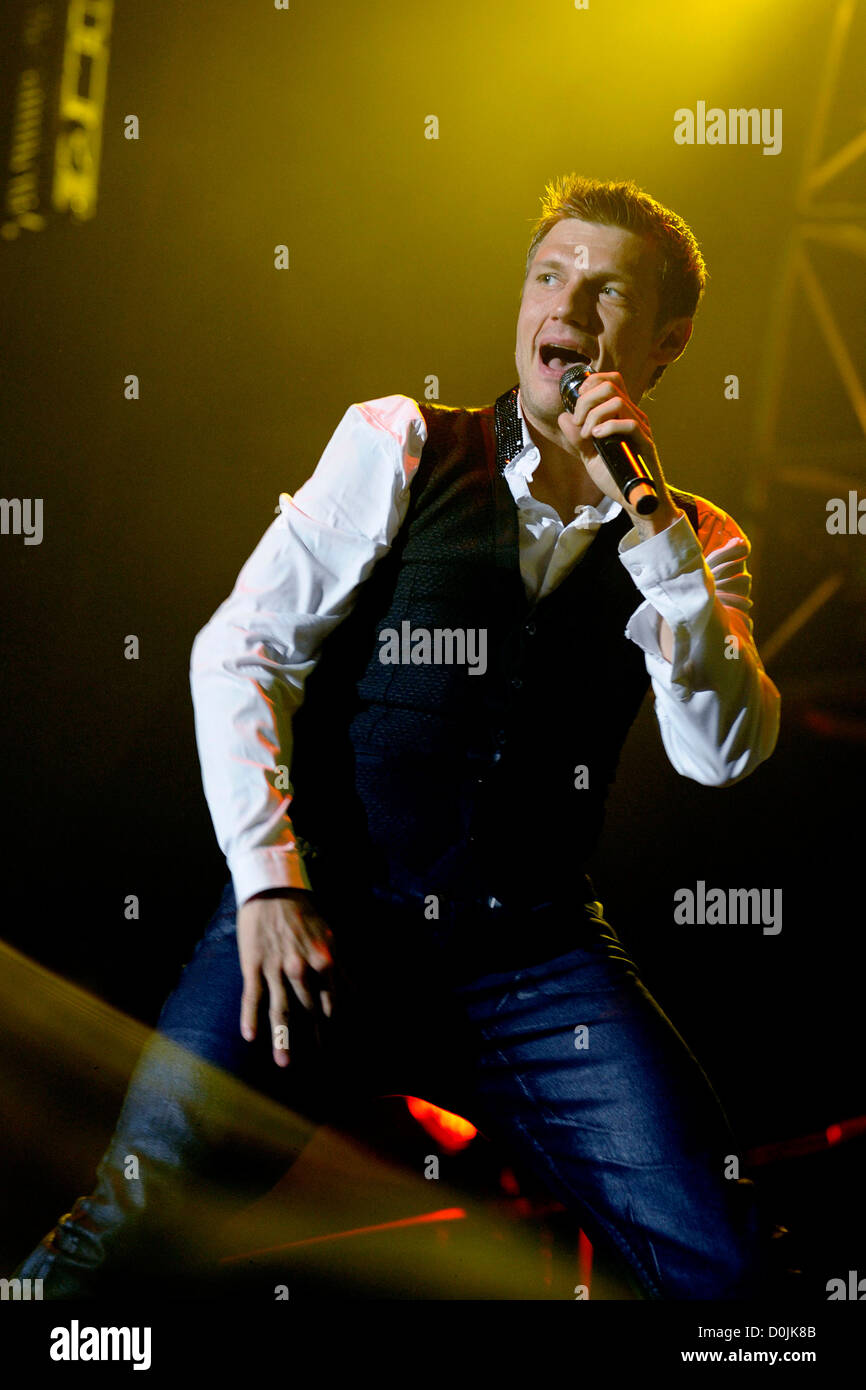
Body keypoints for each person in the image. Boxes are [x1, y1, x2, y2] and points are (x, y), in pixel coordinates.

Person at [12, 174, 781, 1300]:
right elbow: (241, 652)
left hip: (528, 954)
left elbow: (721, 752)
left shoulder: (700, 542)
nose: (564, 308)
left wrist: (652, 535)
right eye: (548, 276)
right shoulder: (401, 439)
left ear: (660, 346)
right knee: (127, 1231)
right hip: (321, 919)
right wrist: (270, 884)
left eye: (604, 290)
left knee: (728, 1265)